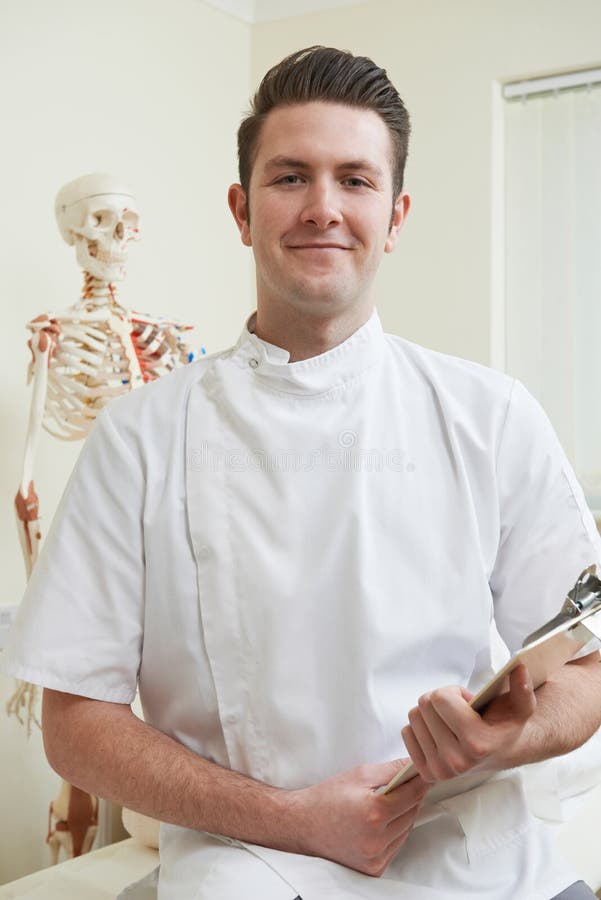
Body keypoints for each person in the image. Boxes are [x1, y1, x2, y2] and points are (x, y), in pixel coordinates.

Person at [3, 46, 601, 900]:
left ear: (394, 217)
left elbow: (587, 668)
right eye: (290, 178)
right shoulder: (140, 436)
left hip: (477, 857)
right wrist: (297, 818)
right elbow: (74, 727)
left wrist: (505, 739)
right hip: (248, 864)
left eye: (354, 181)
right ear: (242, 211)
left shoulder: (489, 415)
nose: (323, 208)